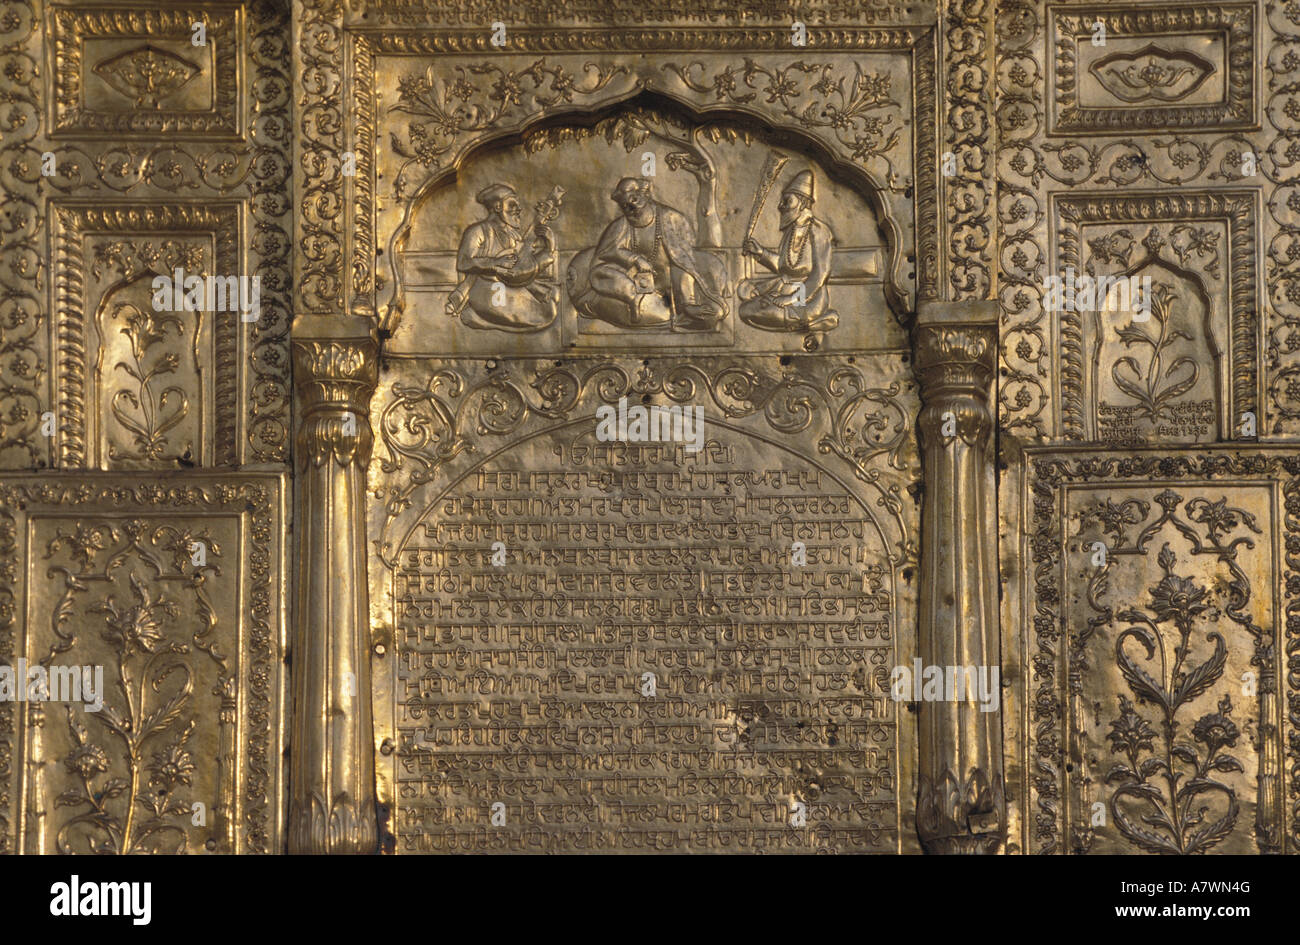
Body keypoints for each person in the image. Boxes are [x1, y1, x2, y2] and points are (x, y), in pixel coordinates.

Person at [570, 177, 726, 331]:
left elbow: (683, 260)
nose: (631, 209)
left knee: (713, 313)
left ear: (646, 196)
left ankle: (681, 313)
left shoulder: (671, 219)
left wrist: (687, 303)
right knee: (648, 310)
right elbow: (605, 253)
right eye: (625, 206)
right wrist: (634, 259)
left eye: (634, 201)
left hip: (678, 289)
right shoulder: (621, 225)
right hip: (637, 289)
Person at [446, 183, 557, 331]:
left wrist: (550, 246)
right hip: (489, 291)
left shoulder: (514, 235)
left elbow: (526, 266)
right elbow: (463, 262)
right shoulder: (478, 231)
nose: (518, 209)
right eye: (512, 204)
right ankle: (482, 320)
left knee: (552, 302)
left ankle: (485, 322)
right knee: (543, 315)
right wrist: (495, 263)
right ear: (498, 207)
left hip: (513, 288)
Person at [739, 170, 838, 333]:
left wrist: (791, 299)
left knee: (757, 312)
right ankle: (803, 324)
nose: (781, 206)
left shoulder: (819, 231)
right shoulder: (790, 231)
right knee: (745, 310)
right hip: (783, 290)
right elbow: (783, 265)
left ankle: (808, 322)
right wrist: (760, 253)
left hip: (807, 298)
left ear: (802, 202)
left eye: (787, 200)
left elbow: (819, 275)